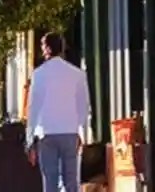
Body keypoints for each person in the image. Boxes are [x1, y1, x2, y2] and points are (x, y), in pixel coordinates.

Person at [25, 32, 90, 192]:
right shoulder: (77, 74)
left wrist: (29, 138)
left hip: (46, 132)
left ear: (46, 49)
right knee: (71, 181)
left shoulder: (39, 74)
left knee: (50, 181)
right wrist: (82, 130)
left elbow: (33, 107)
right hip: (69, 131)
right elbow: (84, 105)